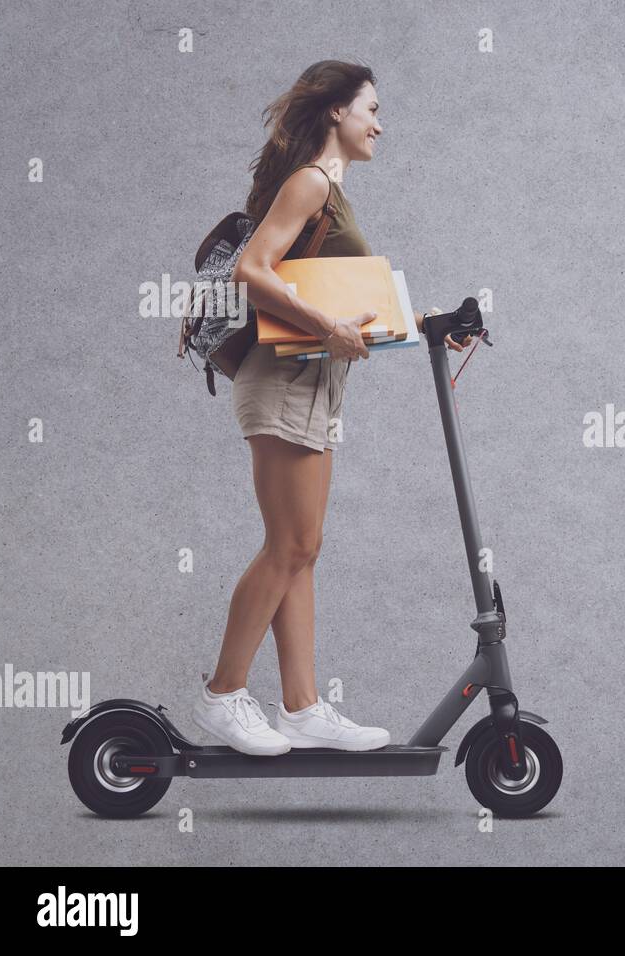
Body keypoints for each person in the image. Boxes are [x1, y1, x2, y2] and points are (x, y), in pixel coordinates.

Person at [192, 60, 469, 755]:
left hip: (312, 386)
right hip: (282, 381)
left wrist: (428, 320)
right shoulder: (312, 182)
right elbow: (253, 272)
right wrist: (326, 328)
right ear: (336, 114)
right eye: (370, 109)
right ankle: (222, 695)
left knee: (304, 550)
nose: (379, 123)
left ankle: (303, 707)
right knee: (288, 546)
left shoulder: (335, 197)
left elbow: (345, 305)